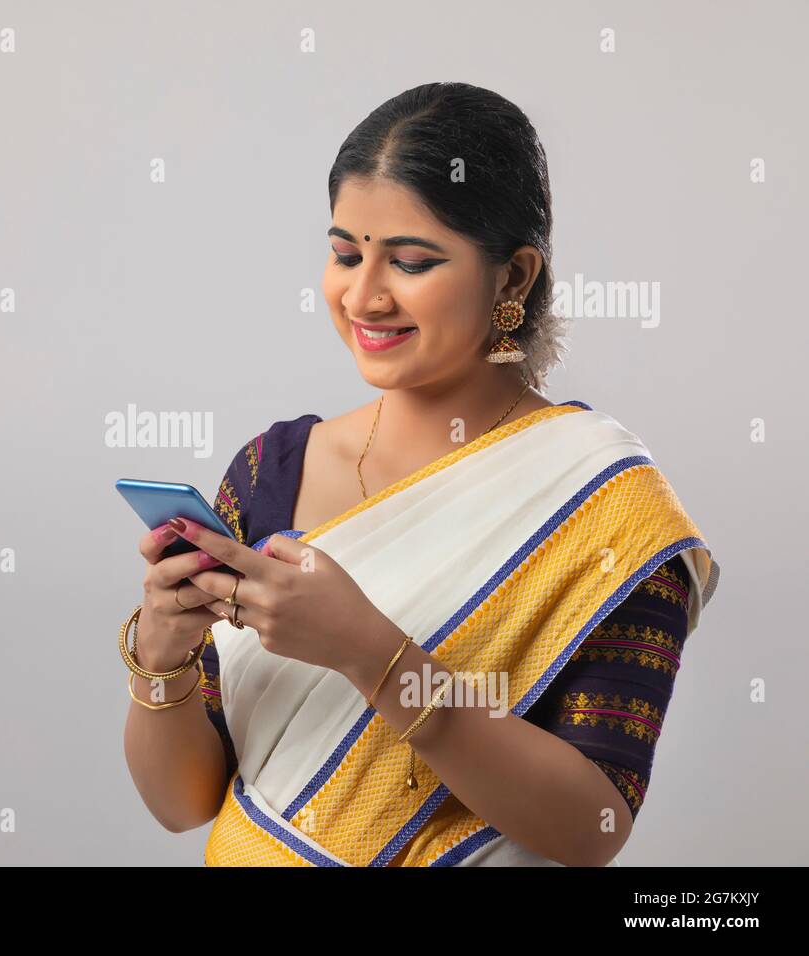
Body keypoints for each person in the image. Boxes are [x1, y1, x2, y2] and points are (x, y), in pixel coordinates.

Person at [120, 82, 719, 867]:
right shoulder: (270, 471)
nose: (364, 295)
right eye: (344, 253)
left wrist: (372, 654)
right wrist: (161, 652)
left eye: (409, 262)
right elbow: (182, 805)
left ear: (512, 279)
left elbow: (591, 831)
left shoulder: (605, 506)